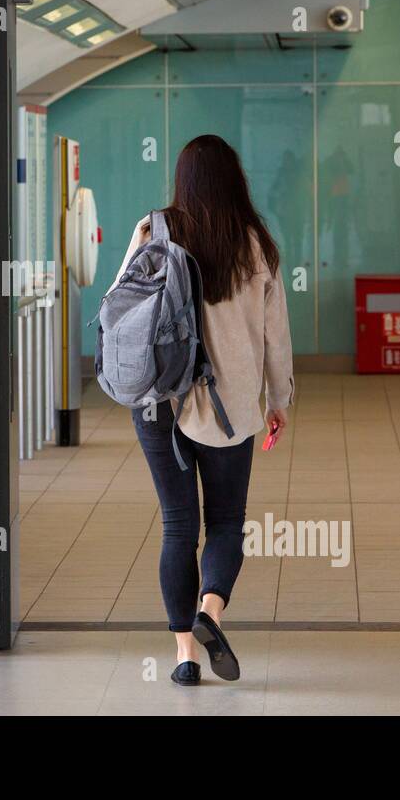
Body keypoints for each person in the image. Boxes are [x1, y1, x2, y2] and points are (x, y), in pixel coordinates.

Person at [112, 134, 294, 686]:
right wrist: (279, 400)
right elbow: (275, 336)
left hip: (159, 401)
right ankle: (209, 613)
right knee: (225, 524)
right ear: (234, 179)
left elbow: (120, 304)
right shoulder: (257, 244)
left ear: (182, 180)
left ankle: (185, 658)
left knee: (176, 528)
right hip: (229, 406)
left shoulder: (153, 229)